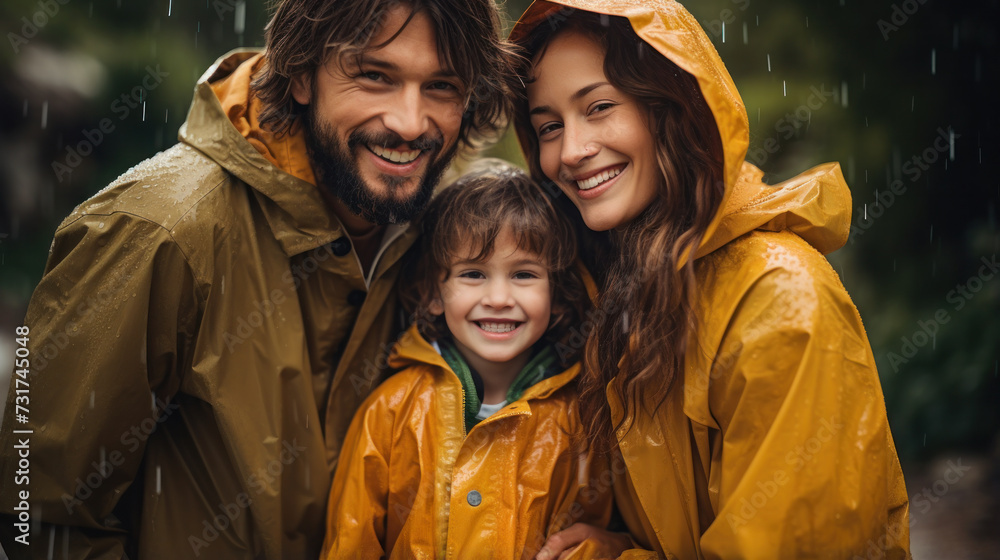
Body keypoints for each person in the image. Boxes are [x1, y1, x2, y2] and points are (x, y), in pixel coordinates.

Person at [0, 1, 518, 558]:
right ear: (299, 75)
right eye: (375, 76)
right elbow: (34, 509)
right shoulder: (156, 228)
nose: (410, 123)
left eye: (441, 86)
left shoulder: (453, 239)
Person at [511, 1, 911, 558]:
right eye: (548, 126)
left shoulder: (778, 299)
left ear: (672, 108)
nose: (572, 151)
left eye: (599, 107)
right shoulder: (618, 294)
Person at [321, 161, 615, 559]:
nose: (498, 298)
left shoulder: (584, 419)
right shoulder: (389, 412)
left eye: (524, 275)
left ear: (558, 297)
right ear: (433, 294)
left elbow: (601, 529)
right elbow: (350, 544)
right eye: (473, 274)